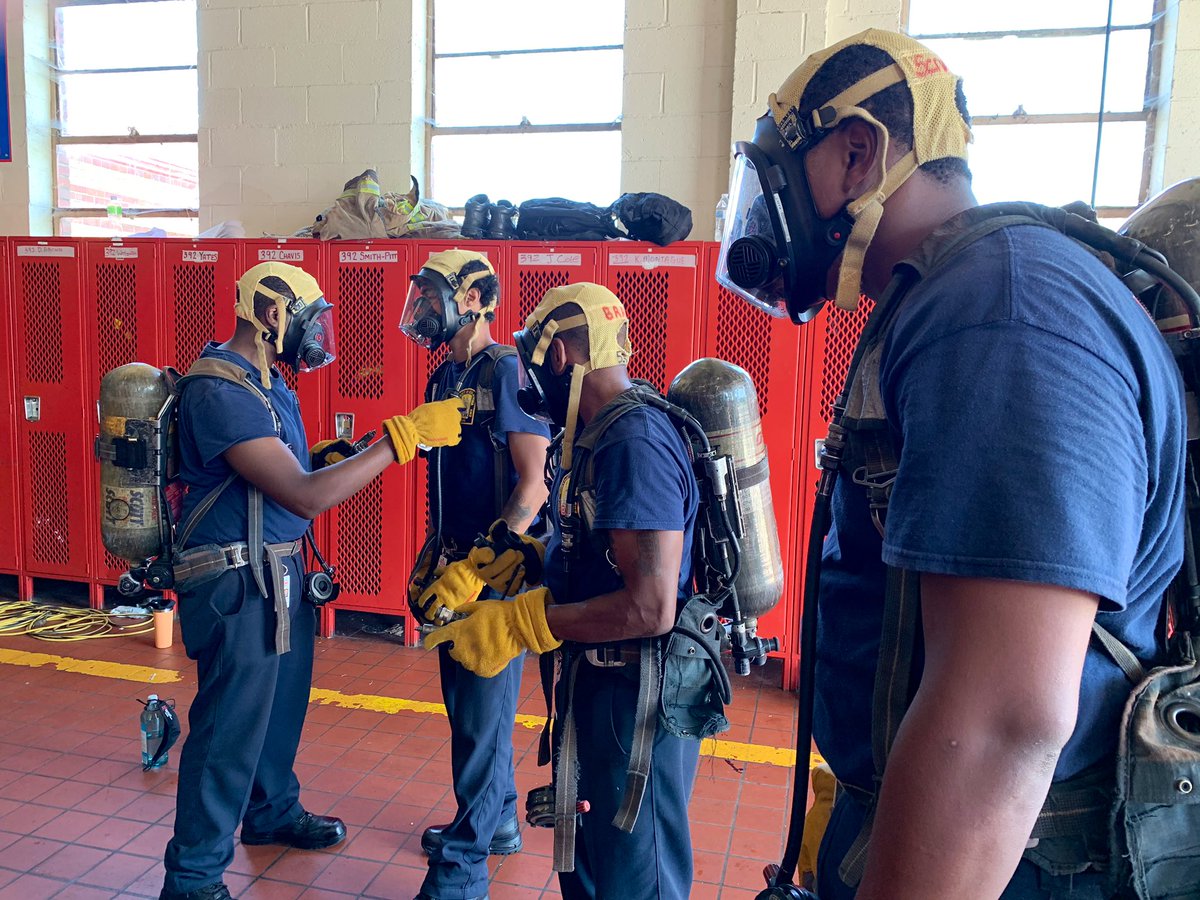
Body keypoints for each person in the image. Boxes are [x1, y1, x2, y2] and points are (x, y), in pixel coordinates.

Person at [715, 28, 1185, 900]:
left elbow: (1004, 726)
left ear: (858, 153)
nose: (763, 207)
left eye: (779, 171)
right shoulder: (955, 295)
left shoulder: (997, 311)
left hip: (1013, 862)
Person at [160, 262, 464, 900]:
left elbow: (288, 467)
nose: (318, 333)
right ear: (272, 316)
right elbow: (302, 495)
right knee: (229, 726)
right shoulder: (220, 389)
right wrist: (395, 440)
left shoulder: (270, 382)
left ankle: (269, 812)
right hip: (236, 580)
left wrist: (330, 454)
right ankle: (192, 877)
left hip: (279, 574)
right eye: (310, 319)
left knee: (280, 707)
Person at [423, 282, 703, 900]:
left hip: (638, 701)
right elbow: (594, 553)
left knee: (636, 878)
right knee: (590, 870)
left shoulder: (635, 443)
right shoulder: (595, 435)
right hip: (594, 686)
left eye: (532, 359)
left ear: (558, 357)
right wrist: (527, 558)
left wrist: (521, 624)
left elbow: (650, 607)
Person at [399, 250, 551, 900]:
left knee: (483, 718)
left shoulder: (508, 369)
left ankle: (462, 870)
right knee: (467, 710)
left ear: (474, 299)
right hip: (457, 558)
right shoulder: (444, 377)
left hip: (498, 571)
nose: (423, 310)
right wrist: (442, 557)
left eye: (434, 298)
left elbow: (534, 485)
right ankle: (497, 827)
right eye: (421, 298)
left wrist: (480, 570)